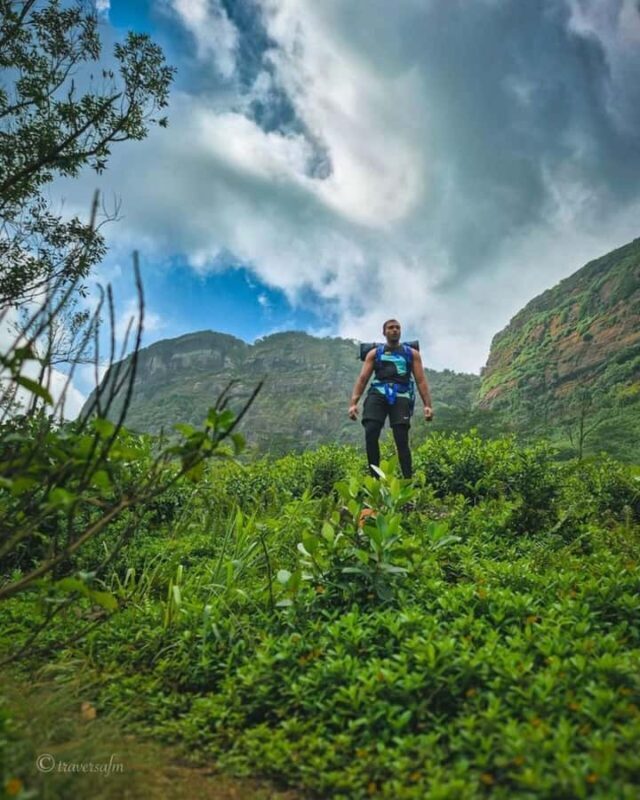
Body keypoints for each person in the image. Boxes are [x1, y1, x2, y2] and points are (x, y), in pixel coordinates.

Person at [348, 319, 433, 479]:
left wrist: (427, 405)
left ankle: (407, 481)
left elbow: (421, 380)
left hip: (401, 396)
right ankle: (375, 479)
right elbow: (363, 378)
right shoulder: (375, 353)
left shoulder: (411, 354)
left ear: (400, 331)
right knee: (371, 432)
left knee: (401, 438)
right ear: (384, 332)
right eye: (390, 328)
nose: (394, 330)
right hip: (377, 394)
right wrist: (353, 403)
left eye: (397, 328)